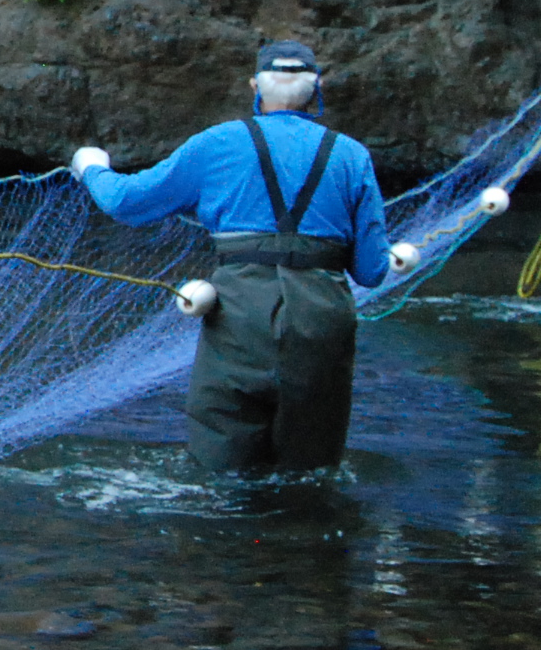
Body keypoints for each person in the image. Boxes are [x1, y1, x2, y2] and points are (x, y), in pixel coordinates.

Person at [74, 42, 391, 473]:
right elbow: (372, 272)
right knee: (310, 474)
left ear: (254, 86)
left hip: (240, 315)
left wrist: (91, 166)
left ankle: (225, 539)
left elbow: (125, 203)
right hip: (322, 321)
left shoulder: (218, 143)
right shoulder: (352, 155)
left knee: (222, 471)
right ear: (318, 87)